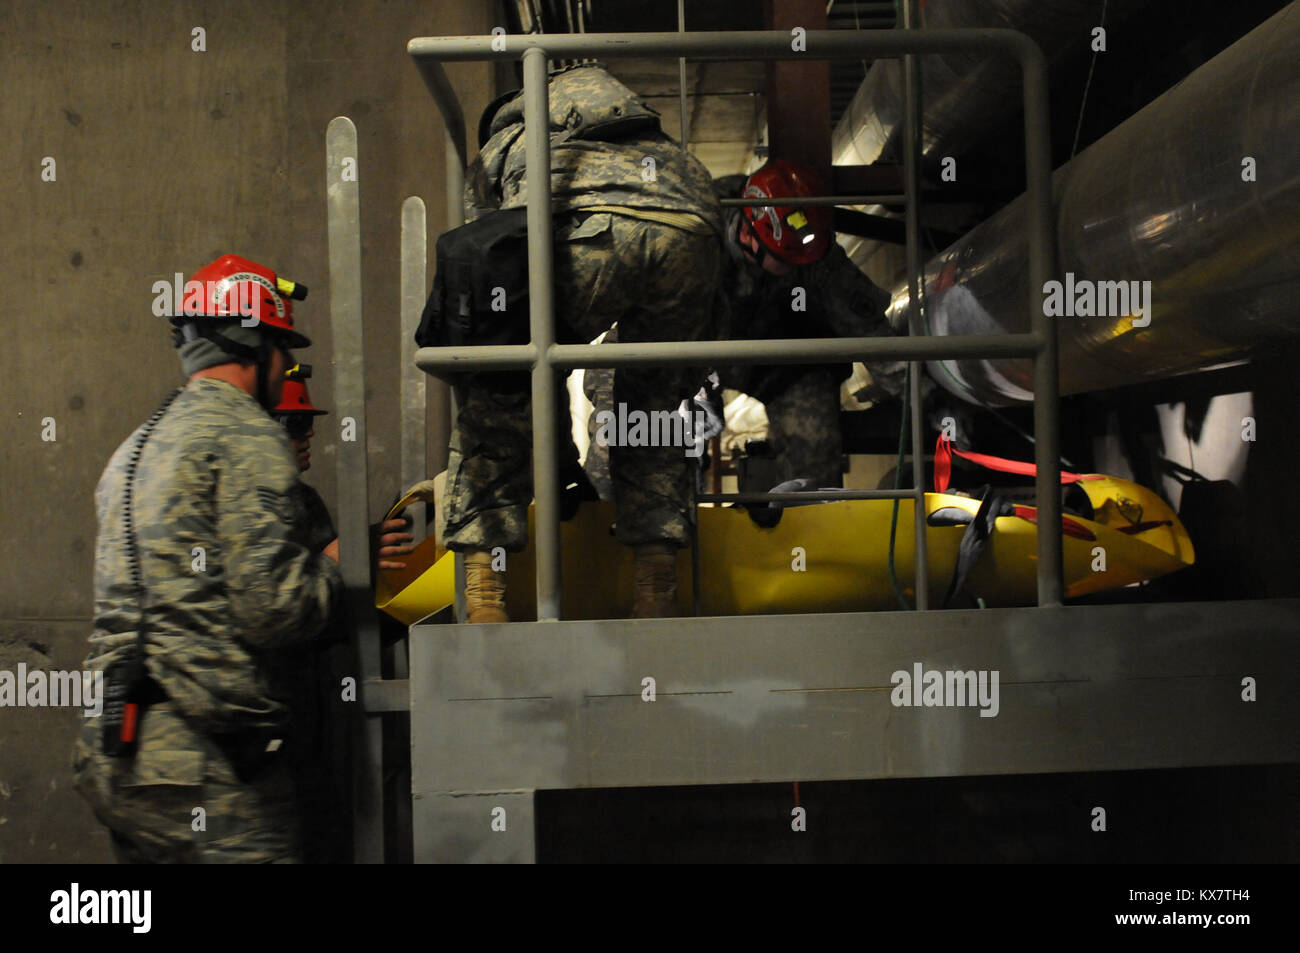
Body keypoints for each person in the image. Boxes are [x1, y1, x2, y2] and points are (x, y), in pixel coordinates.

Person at [72, 253, 344, 864]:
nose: (284, 366)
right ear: (255, 343)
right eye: (281, 348)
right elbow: (273, 612)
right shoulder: (247, 435)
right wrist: (334, 566)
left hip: (118, 755)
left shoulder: (133, 449)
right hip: (204, 766)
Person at [441, 63, 725, 621]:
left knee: (500, 387)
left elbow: (486, 267)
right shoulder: (659, 144)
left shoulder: (513, 140)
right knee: (656, 407)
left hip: (582, 228)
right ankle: (654, 588)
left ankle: (485, 599)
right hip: (692, 228)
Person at [713, 159, 908, 489]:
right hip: (689, 349)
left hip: (780, 361)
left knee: (814, 441)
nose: (794, 268)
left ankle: (806, 527)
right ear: (748, 235)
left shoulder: (813, 252)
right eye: (784, 260)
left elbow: (867, 330)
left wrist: (918, 396)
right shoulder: (697, 234)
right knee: (660, 431)